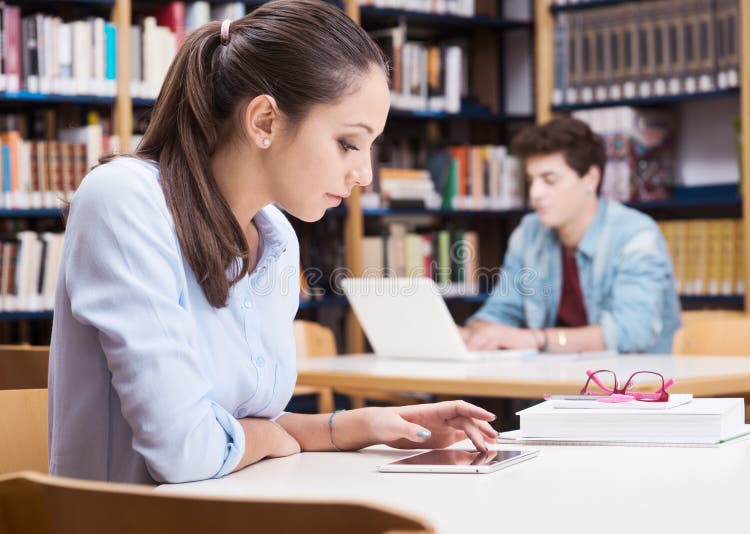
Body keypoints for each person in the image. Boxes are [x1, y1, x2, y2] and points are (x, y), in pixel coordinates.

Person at [48, 0, 497, 485]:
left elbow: (229, 425)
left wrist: (362, 425)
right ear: (264, 121)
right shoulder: (124, 199)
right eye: (348, 143)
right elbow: (185, 451)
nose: (364, 174)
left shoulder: (276, 236)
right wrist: (265, 438)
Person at [461, 117, 681, 354]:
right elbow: (501, 311)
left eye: (549, 180)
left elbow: (632, 331)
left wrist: (537, 340)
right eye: (531, 181)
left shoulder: (636, 235)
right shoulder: (529, 233)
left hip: (630, 385)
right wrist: (473, 334)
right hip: (553, 384)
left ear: (591, 179)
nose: (535, 193)